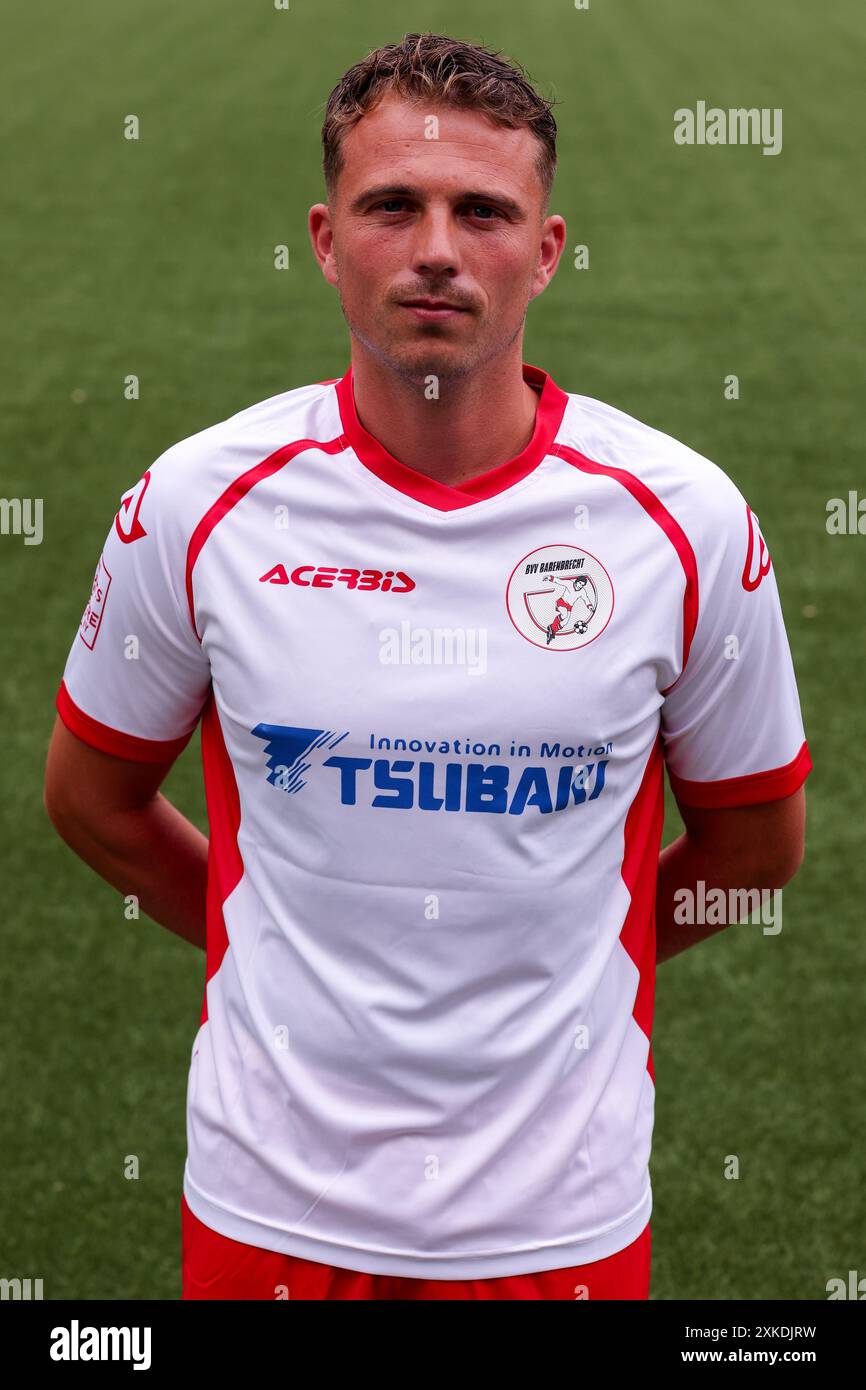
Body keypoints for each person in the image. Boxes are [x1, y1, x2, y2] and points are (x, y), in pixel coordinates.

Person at [44, 32, 811, 1300]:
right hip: (268, 1206)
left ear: (547, 249)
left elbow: (754, 851)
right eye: (392, 205)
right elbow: (93, 797)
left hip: (558, 1221)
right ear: (325, 236)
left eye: (484, 211)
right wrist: (266, 952)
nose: (439, 248)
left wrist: (576, 958)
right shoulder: (197, 504)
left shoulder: (685, 521)